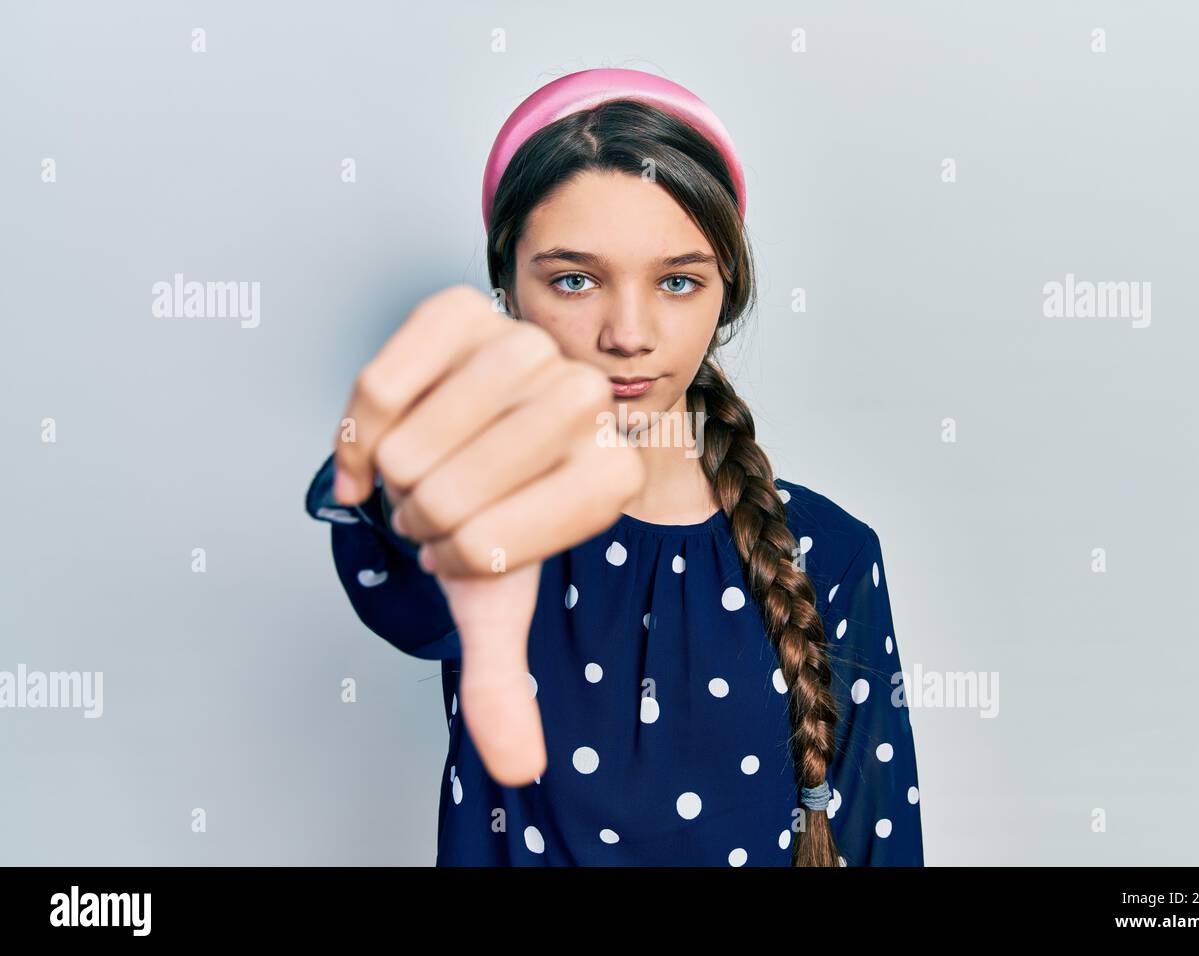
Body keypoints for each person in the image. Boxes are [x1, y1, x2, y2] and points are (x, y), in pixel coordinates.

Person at [305, 68, 922, 867]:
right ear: (507, 286)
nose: (628, 333)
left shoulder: (831, 552)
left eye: (676, 281)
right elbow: (406, 568)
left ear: (725, 292)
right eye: (574, 279)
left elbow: (881, 840)